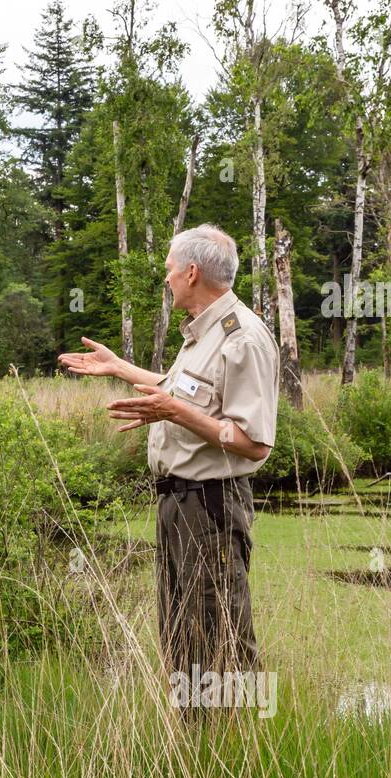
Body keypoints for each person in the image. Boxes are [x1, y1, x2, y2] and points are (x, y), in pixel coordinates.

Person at [59, 224, 279, 718]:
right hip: (178, 505)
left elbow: (255, 443)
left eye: (168, 270)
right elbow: (177, 389)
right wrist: (120, 368)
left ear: (192, 272)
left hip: (213, 508)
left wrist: (175, 414)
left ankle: (238, 744)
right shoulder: (201, 333)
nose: (166, 279)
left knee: (221, 630)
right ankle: (196, 741)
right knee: (182, 632)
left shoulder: (243, 338)